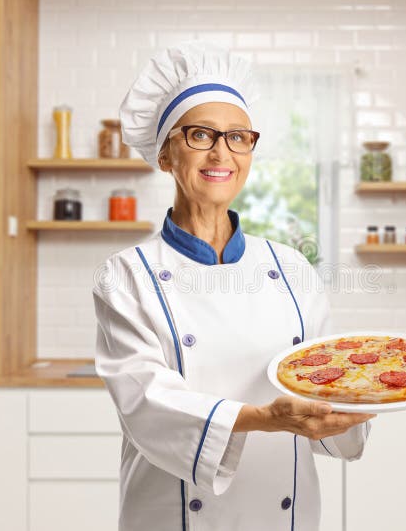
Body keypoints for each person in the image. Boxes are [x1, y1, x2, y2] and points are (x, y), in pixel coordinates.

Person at [93, 40, 374, 531]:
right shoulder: (126, 274)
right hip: (174, 515)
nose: (222, 152)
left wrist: (355, 403)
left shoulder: (290, 266)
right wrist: (266, 418)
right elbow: (148, 405)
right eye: (201, 134)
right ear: (164, 155)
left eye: (239, 137)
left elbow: (325, 376)